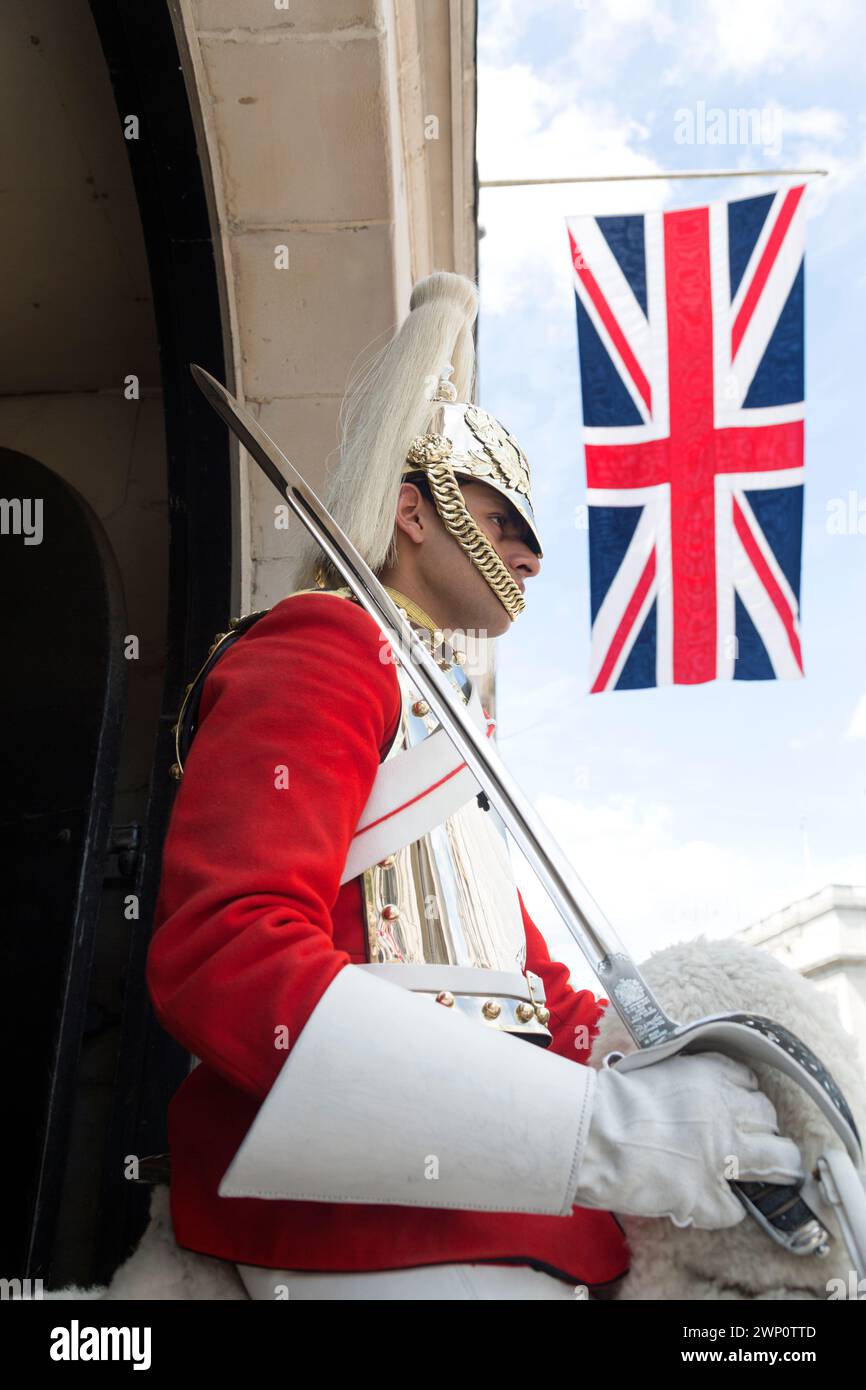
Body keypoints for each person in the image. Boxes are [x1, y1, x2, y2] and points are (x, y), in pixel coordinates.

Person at [145, 271, 804, 1301]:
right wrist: (603, 1129)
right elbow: (227, 956)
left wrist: (683, 1069)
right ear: (412, 510)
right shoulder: (324, 643)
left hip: (522, 1212)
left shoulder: (443, 711)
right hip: (366, 1218)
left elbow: (533, 996)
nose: (529, 559)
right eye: (503, 523)